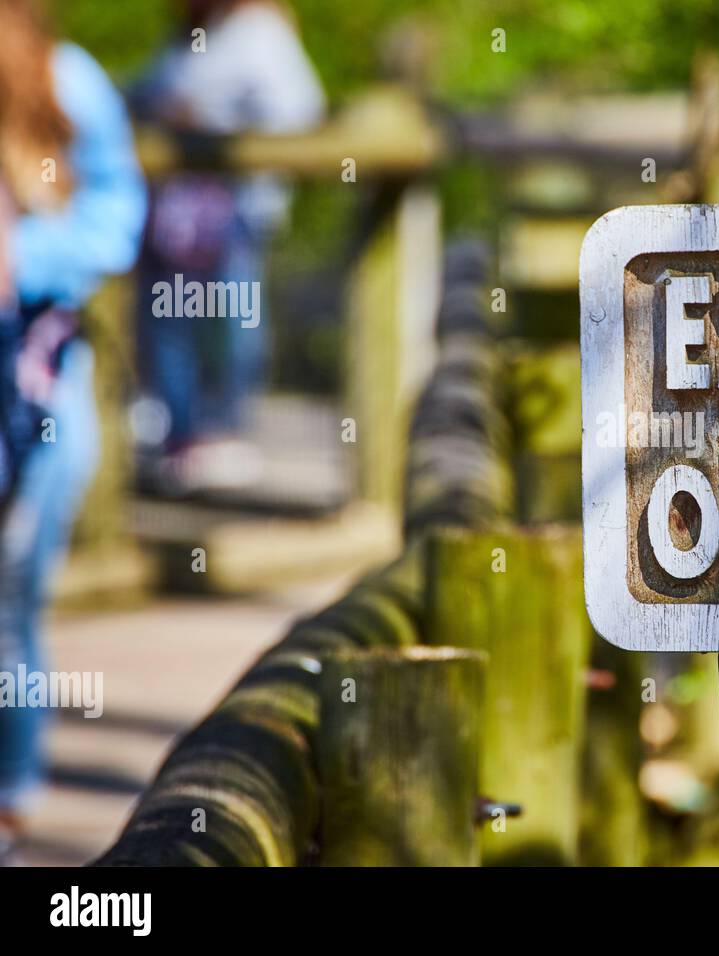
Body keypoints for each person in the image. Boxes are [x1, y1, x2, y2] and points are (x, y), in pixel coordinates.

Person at [0, 0, 147, 861]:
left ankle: (11, 799)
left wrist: (26, 266)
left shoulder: (66, 83)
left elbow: (118, 219)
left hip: (41, 391)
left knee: (13, 594)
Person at [131, 0, 325, 493]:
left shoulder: (258, 30)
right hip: (175, 218)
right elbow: (144, 90)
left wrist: (213, 125)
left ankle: (224, 431)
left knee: (232, 321)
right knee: (170, 320)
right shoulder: (189, 34)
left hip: (233, 213)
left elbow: (298, 110)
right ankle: (183, 437)